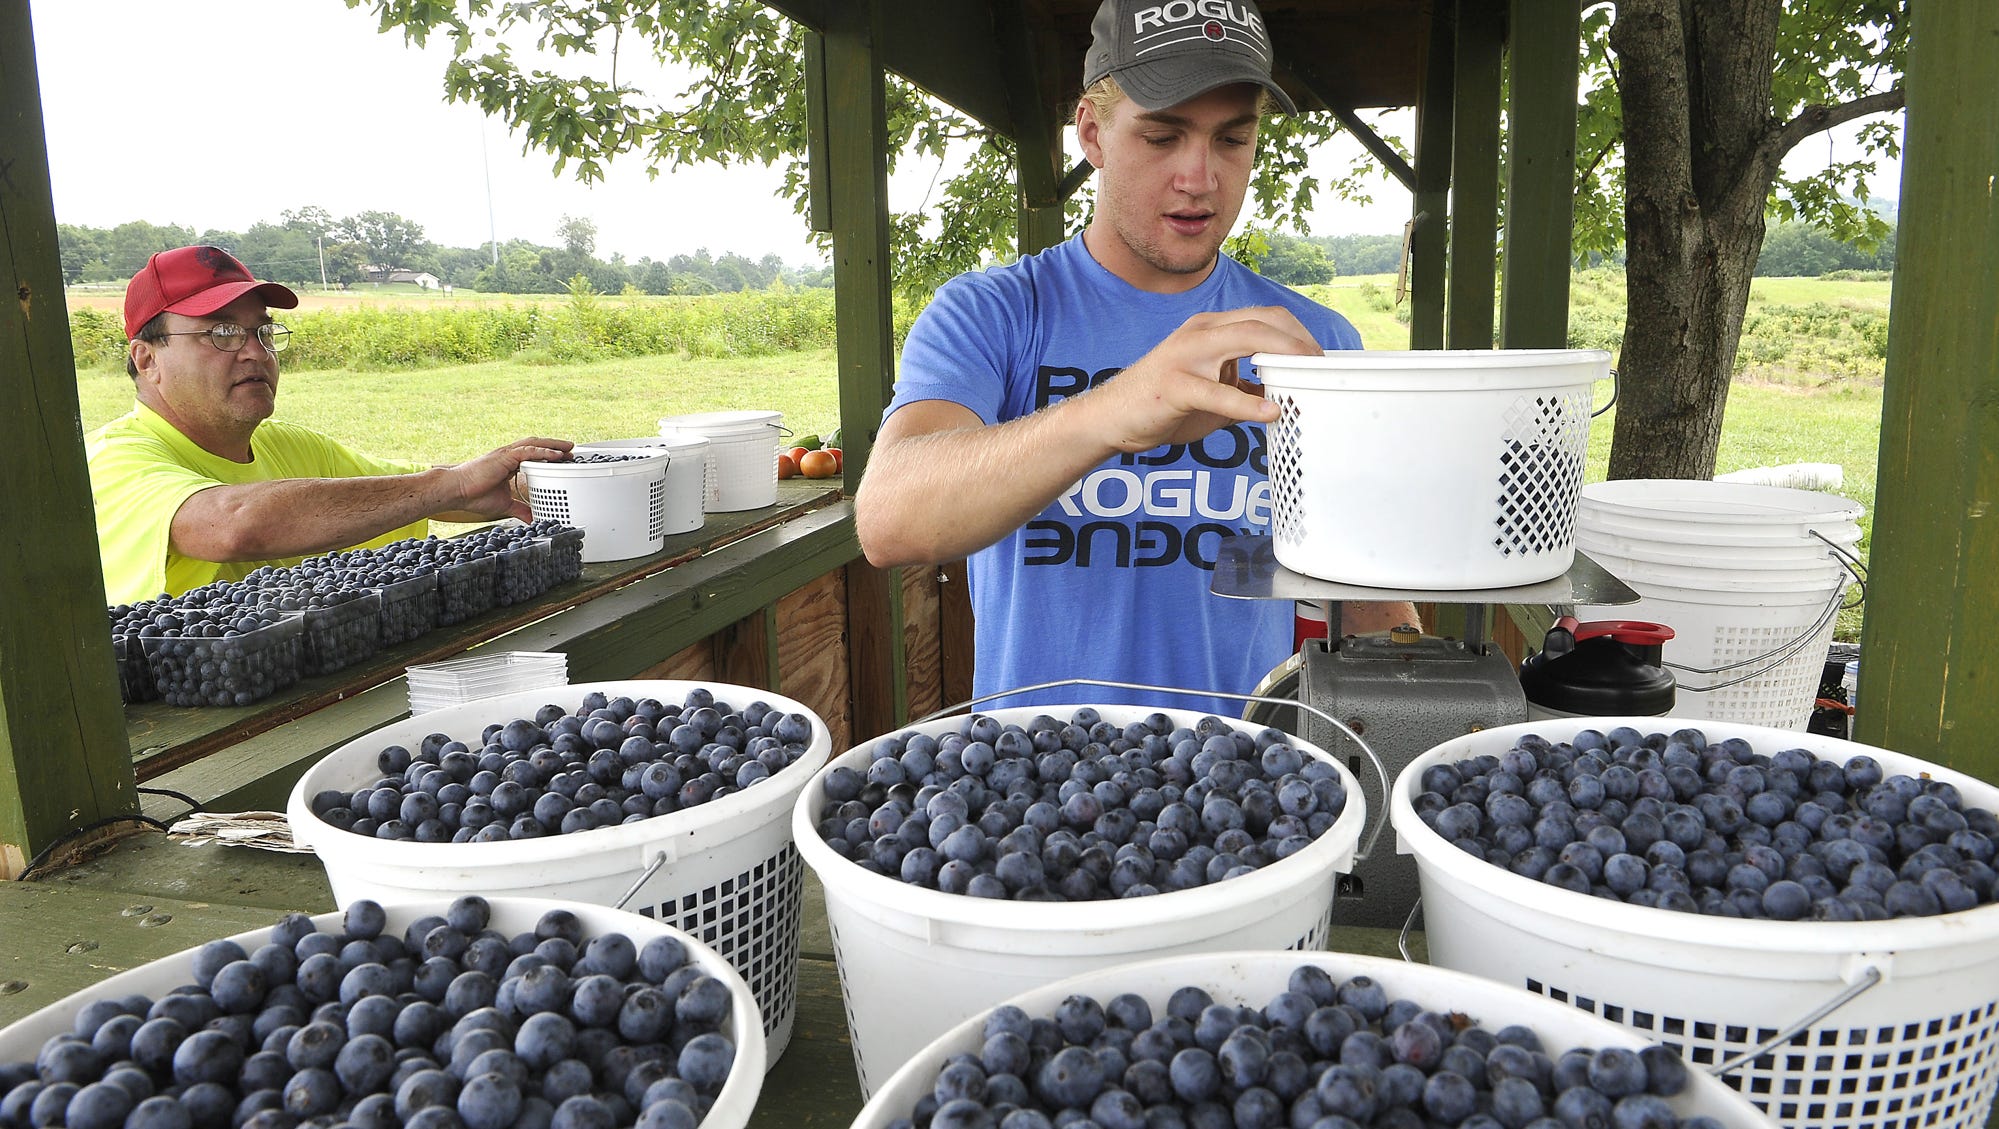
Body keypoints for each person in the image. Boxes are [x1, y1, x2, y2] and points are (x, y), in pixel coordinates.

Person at [854, 0, 1416, 715]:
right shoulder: (992, 313)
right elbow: (889, 519)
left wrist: (1409, 694)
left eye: (1231, 139)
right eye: (1161, 136)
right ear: (1091, 132)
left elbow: (1360, 587)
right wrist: (1117, 408)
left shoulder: (1311, 340)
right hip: (1027, 794)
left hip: (1240, 785)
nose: (1199, 177)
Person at [88, 245, 573, 605]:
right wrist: (450, 486)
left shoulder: (292, 449)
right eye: (221, 332)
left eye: (262, 331)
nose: (255, 351)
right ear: (147, 358)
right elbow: (230, 525)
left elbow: (423, 489)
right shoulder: (110, 461)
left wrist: (583, 476)